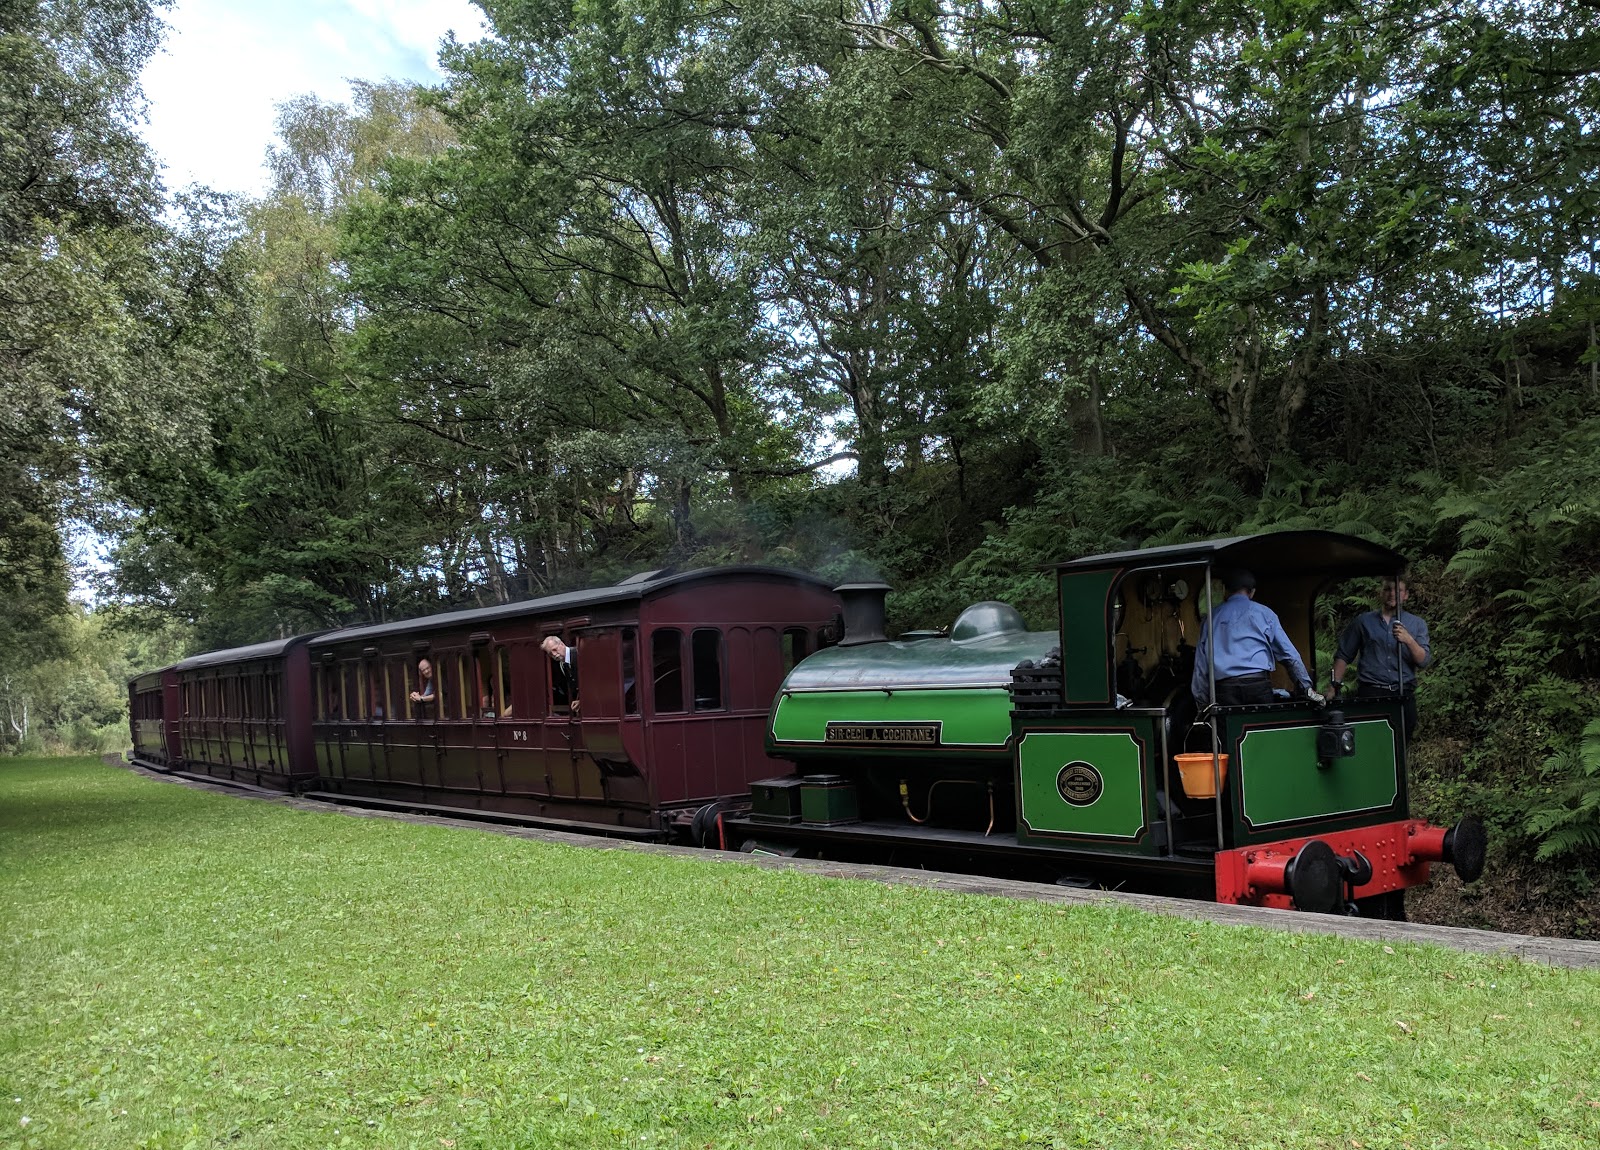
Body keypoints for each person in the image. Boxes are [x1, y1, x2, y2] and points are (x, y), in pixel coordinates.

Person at [1191, 569, 1314, 708]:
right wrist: (1306, 689)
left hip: (1224, 689)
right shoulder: (1265, 614)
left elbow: (1201, 668)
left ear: (1225, 590)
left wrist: (1202, 704)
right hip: (1258, 686)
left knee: (1229, 729)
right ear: (1252, 592)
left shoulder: (1210, 619)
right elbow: (1290, 656)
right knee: (1262, 728)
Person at [1326, 577, 1430, 740]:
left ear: (1406, 595)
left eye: (1398, 590)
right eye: (1388, 589)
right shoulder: (1363, 622)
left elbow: (1423, 661)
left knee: (1402, 744)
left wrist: (1409, 640)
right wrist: (1333, 688)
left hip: (1403, 694)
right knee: (1371, 742)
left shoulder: (1417, 624)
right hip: (1371, 694)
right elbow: (1344, 655)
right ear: (1381, 593)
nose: (1392, 594)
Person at [542, 635, 577, 712]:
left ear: (562, 644)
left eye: (554, 649)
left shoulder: (578, 654)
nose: (554, 654)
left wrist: (583, 700)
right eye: (550, 654)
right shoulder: (562, 664)